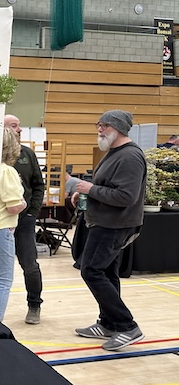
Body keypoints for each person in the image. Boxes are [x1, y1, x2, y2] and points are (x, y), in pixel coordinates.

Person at [72, 110, 146, 351]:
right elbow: (104, 187)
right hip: (105, 221)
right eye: (99, 125)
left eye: (105, 125)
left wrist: (91, 190)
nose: (100, 129)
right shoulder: (114, 153)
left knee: (91, 271)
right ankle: (108, 323)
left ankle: (127, 325)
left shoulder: (130, 157)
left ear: (119, 128)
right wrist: (84, 193)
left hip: (114, 224)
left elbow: (125, 196)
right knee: (107, 272)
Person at [4, 115, 45, 325]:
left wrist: (32, 212)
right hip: (0, 222)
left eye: (19, 125)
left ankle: (34, 304)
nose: (20, 129)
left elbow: (39, 185)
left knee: (29, 264)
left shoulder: (27, 154)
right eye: (14, 126)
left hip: (24, 220)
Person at [0, 127, 27, 322]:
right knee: (2, 281)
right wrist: (24, 203)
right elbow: (14, 207)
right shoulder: (7, 171)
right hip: (2, 229)